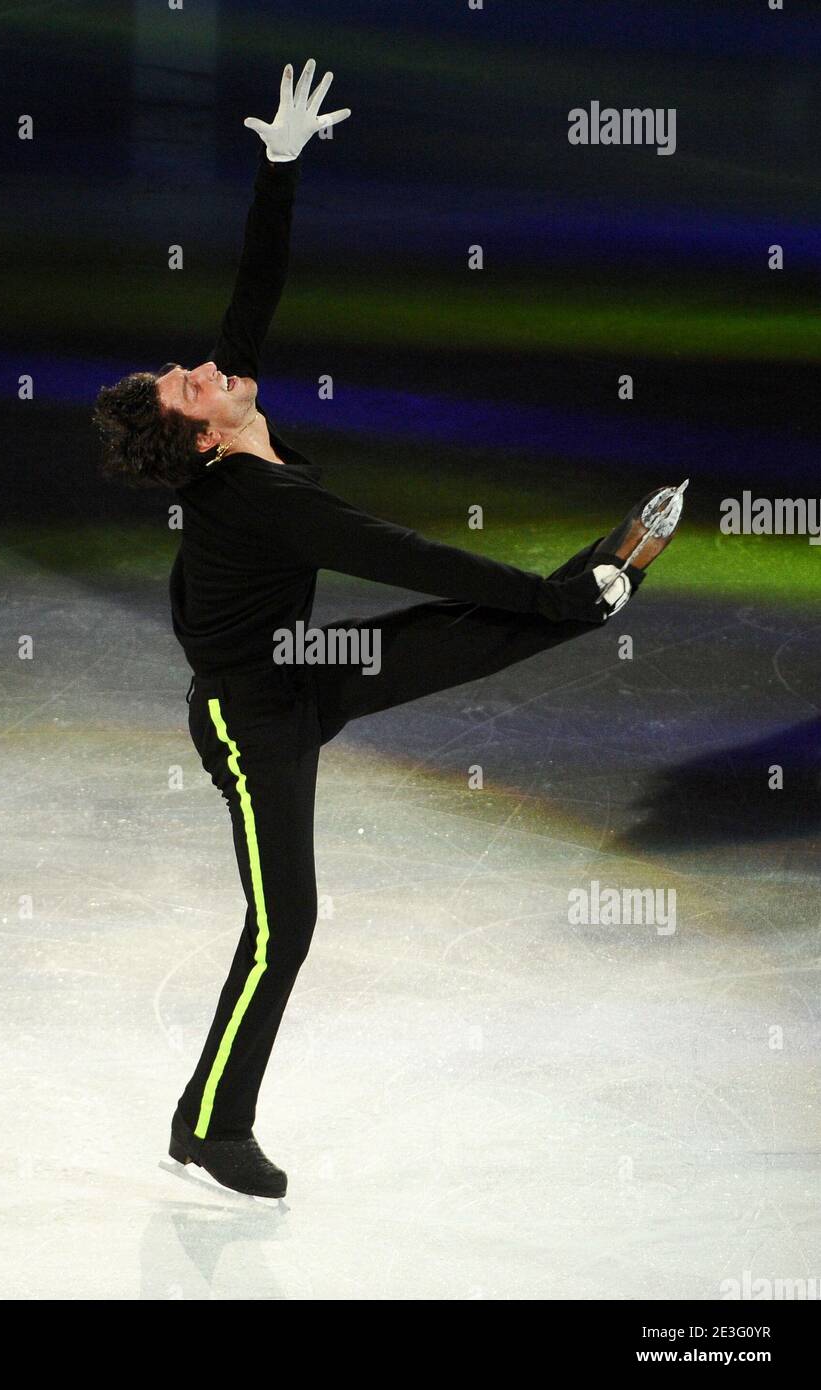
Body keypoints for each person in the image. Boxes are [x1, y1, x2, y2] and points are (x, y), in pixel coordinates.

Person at [93, 60, 686, 1199]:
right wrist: (549, 600)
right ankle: (208, 1125)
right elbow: (405, 554)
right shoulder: (260, 498)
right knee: (285, 924)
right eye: (190, 383)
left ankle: (596, 582)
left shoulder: (238, 438)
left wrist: (277, 166)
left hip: (302, 669)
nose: (206, 365)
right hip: (248, 716)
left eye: (189, 369)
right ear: (204, 434)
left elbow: (249, 298)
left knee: (455, 636)